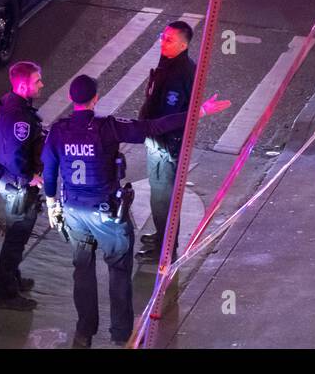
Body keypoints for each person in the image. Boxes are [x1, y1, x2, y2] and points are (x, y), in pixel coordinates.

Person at [41, 74, 230, 348]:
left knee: (82, 271)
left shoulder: (58, 131)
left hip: (74, 213)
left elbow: (49, 171)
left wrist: (50, 203)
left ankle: (84, 333)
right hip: (106, 215)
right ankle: (121, 336)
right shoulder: (108, 127)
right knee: (118, 272)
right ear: (95, 98)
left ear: (72, 100)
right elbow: (152, 127)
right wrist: (199, 112)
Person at [137, 20, 196, 262]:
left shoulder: (178, 74)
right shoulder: (169, 63)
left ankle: (165, 249)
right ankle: (163, 236)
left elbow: (168, 115)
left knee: (163, 197)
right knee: (158, 194)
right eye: (163, 37)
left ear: (183, 45)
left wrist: (152, 135)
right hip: (158, 141)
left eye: (169, 40)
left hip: (164, 145)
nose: (163, 42)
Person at [0, 61, 46, 310]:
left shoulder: (5, 103)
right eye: (37, 81)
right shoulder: (20, 118)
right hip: (18, 186)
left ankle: (13, 277)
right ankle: (6, 293)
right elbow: (16, 153)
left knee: (16, 237)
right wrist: (29, 178)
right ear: (23, 85)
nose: (41, 84)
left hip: (7, 179)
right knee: (15, 238)